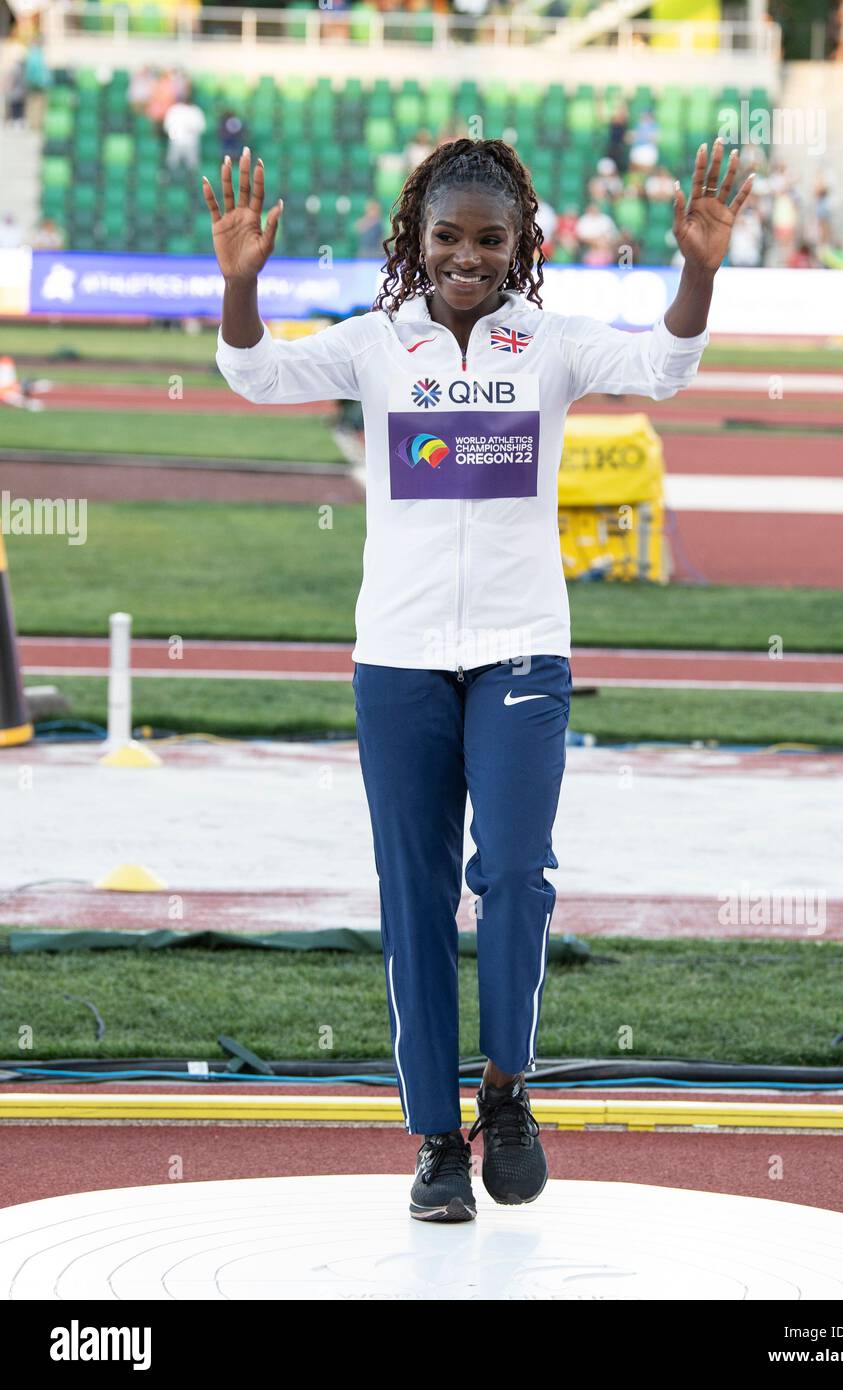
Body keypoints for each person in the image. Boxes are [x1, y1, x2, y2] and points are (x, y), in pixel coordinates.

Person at [206, 136, 751, 1222]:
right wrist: (239, 286)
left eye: (488, 239)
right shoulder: (373, 345)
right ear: (414, 237)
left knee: (513, 873)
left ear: (519, 246)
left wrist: (697, 271)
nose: (466, 256)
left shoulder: (545, 345)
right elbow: (253, 373)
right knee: (413, 900)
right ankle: (432, 1142)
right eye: (446, 237)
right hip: (397, 659)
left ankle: (506, 1091)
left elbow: (663, 367)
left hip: (519, 651)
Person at [164, 92, 206, 171]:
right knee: (172, 163)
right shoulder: (174, 110)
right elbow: (167, 126)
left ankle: (192, 181)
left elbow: (201, 127)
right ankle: (171, 180)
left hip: (191, 143)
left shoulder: (196, 111)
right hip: (175, 142)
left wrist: (191, 128)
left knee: (193, 166)